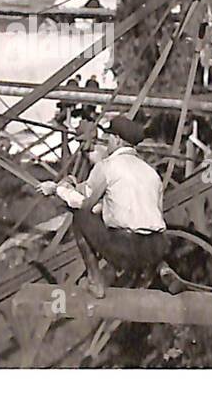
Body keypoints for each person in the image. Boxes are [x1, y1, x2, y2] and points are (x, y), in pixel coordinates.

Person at [37, 116, 168, 297]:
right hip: (156, 248)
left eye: (109, 138)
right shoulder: (152, 172)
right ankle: (162, 269)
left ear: (117, 139)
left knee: (80, 215)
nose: (107, 143)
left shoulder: (107, 166)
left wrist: (56, 190)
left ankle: (95, 281)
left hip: (128, 249)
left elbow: (83, 202)